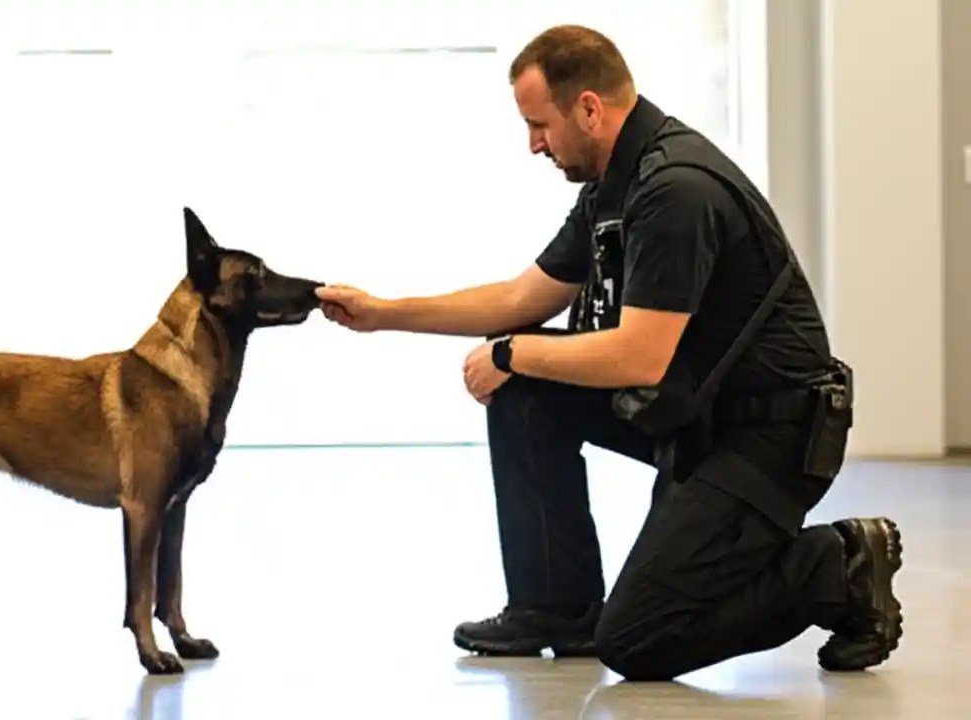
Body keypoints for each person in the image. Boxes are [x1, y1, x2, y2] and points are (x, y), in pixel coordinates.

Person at [314, 24, 902, 680]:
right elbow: (519, 299)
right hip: (696, 415)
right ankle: (553, 606)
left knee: (636, 641)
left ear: (589, 109)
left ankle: (836, 566)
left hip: (770, 439)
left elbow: (638, 358)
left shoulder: (676, 191)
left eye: (539, 124)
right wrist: (384, 314)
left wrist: (511, 355)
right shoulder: (612, 186)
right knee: (525, 386)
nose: (534, 144)